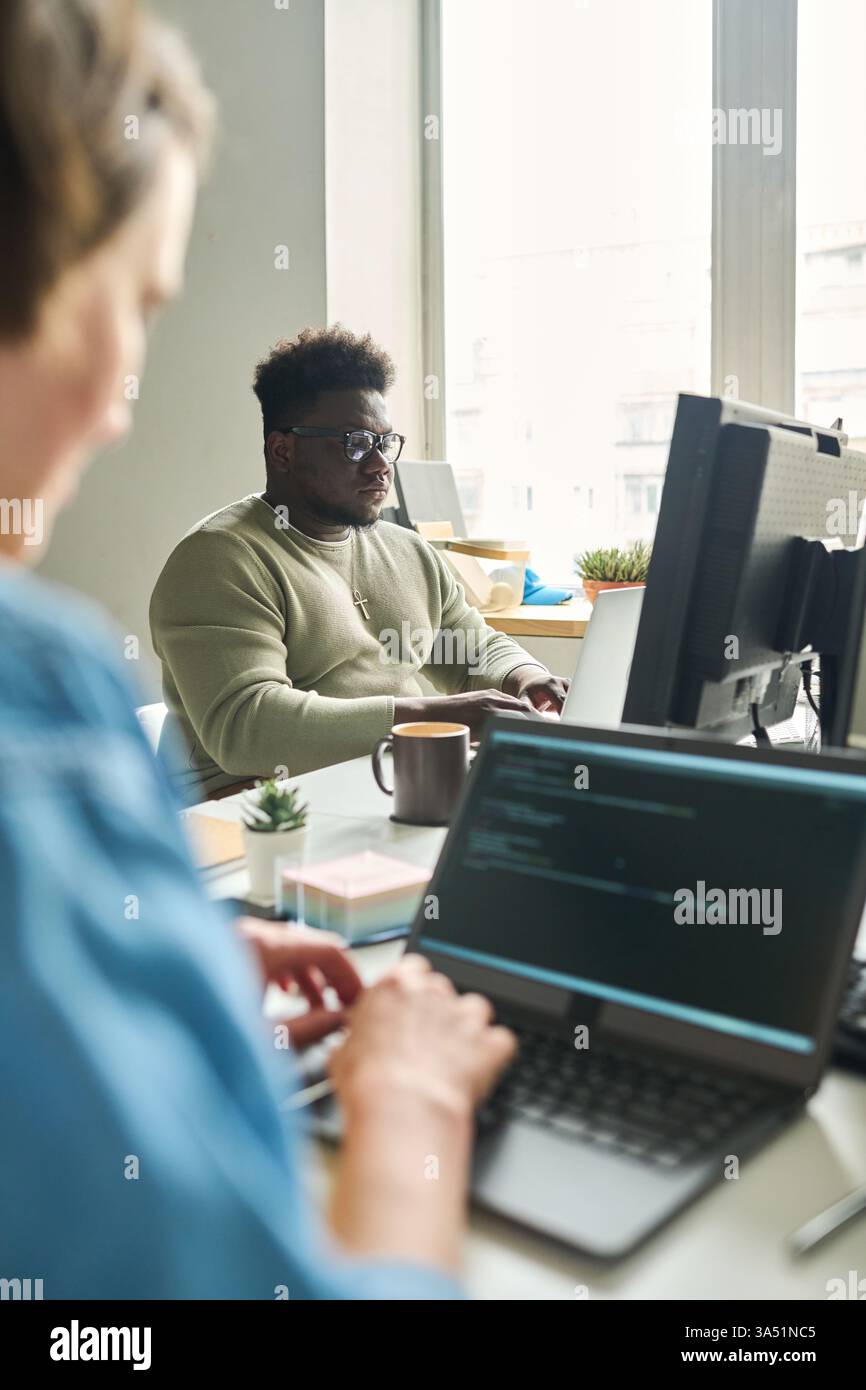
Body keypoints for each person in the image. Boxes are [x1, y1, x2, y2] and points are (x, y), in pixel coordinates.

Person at [0, 0, 514, 1299]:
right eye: (133, 301)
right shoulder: (52, 675)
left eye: (389, 442)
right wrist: (403, 1096)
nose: (119, 412)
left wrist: (505, 679)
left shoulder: (402, 547)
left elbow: (474, 637)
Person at [149, 326, 568, 795]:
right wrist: (432, 717)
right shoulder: (220, 559)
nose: (379, 464)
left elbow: (474, 651)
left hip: (382, 785)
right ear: (282, 450)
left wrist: (526, 680)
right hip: (250, 809)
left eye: (384, 443)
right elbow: (250, 728)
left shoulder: (406, 550)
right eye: (354, 442)